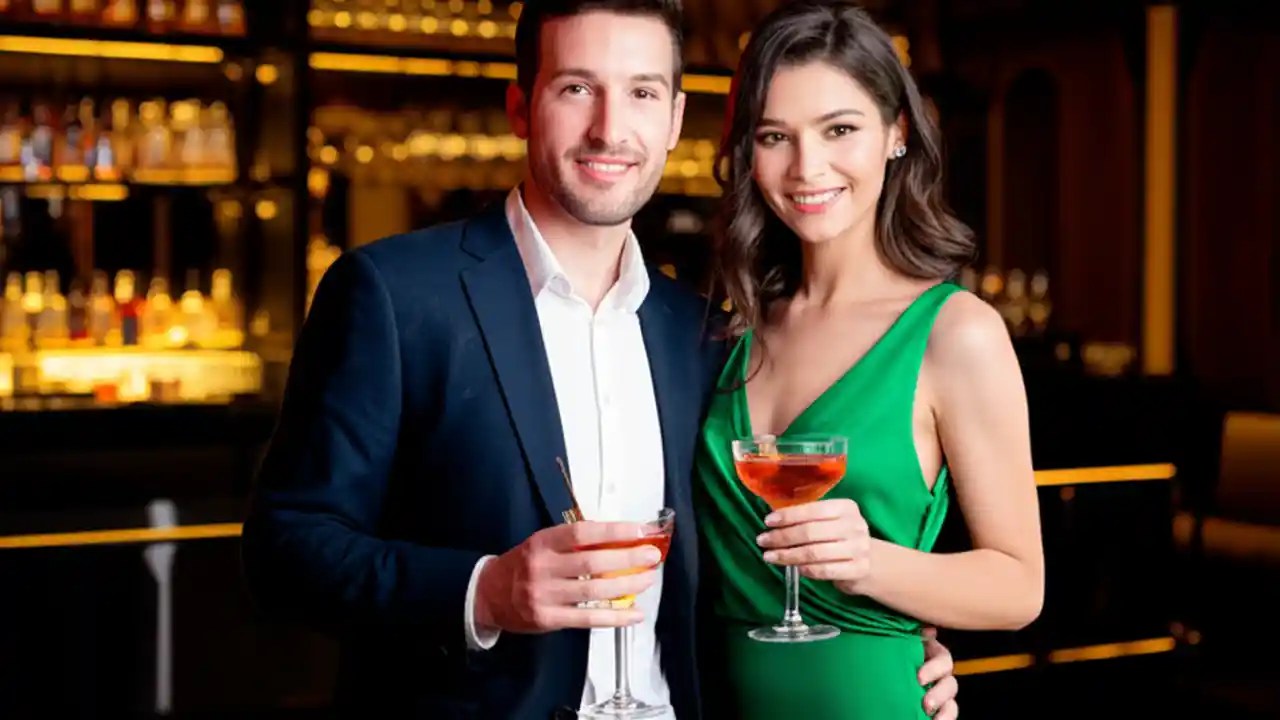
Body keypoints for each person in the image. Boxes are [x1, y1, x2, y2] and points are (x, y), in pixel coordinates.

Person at [241, 1, 962, 718]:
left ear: (675, 119)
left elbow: (736, 572)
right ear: (522, 107)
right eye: (577, 88)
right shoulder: (393, 295)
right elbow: (284, 551)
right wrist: (482, 590)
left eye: (642, 92)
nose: (610, 129)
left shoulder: (704, 332)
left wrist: (897, 644)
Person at [694, 1, 1046, 718]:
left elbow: (1019, 588)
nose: (806, 167)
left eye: (840, 130)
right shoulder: (728, 328)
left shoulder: (956, 333)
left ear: (897, 133)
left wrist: (871, 565)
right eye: (774, 136)